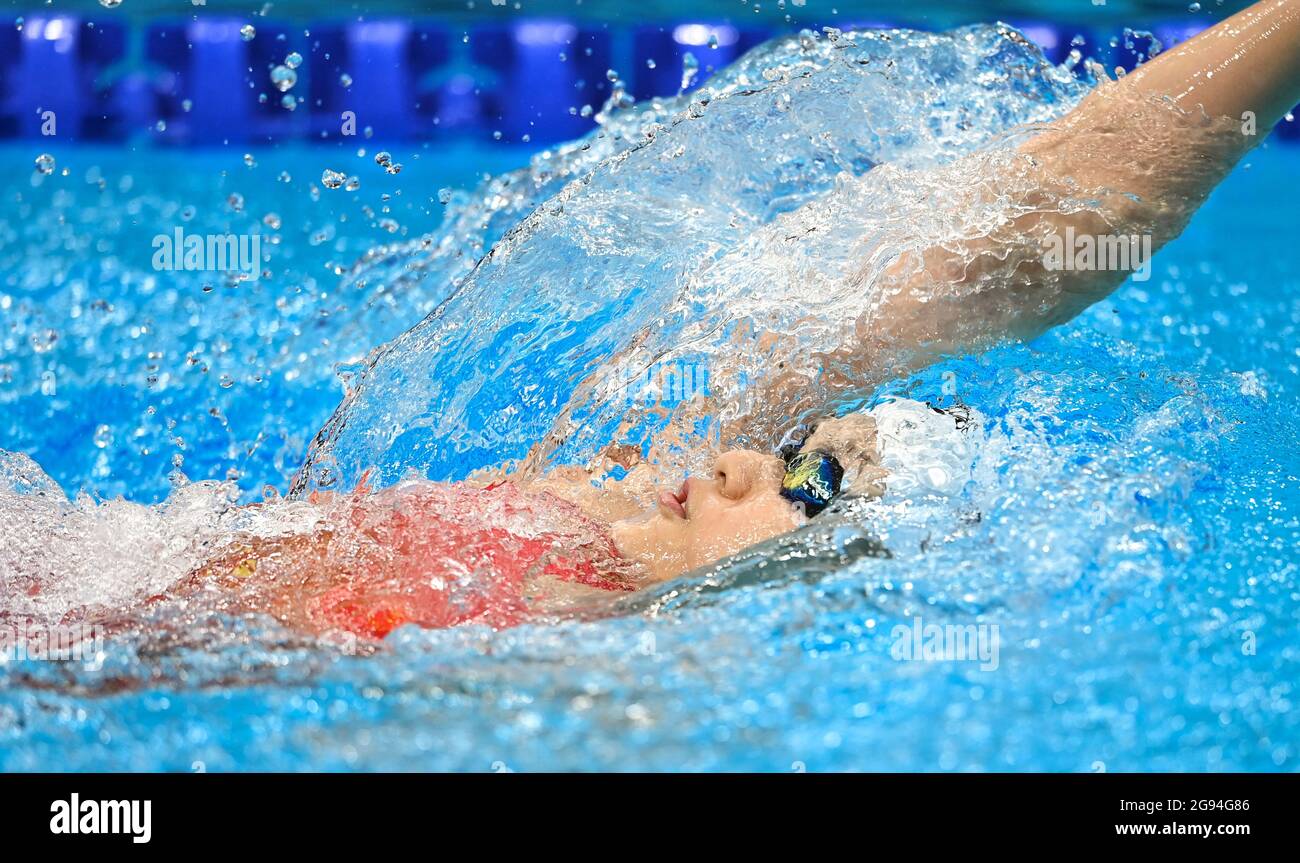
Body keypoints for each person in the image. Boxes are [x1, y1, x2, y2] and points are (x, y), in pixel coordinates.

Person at [73, 0, 1300, 640]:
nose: (731, 450)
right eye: (795, 442)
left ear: (836, 585)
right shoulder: (646, 509)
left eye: (811, 481)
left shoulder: (629, 650)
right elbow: (1025, 238)